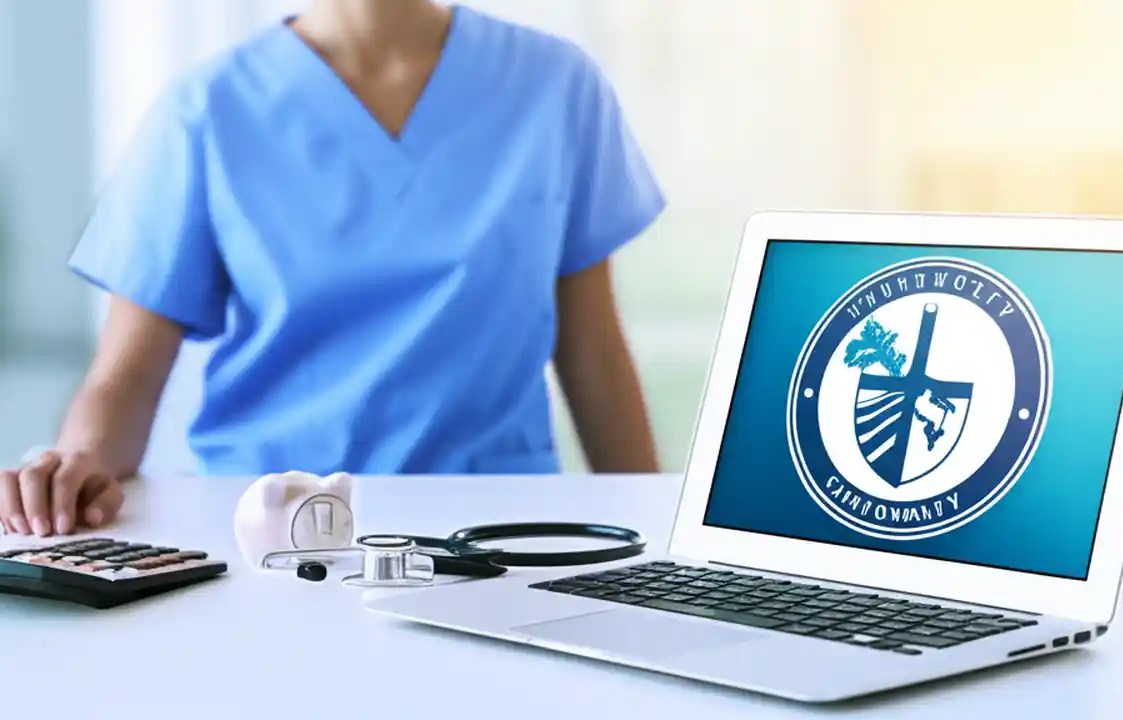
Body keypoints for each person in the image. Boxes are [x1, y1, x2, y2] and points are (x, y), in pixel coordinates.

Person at [0, 0, 664, 537]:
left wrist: (661, 536)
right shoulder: (208, 108)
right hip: (270, 528)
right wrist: (72, 466)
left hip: (498, 530)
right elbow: (127, 375)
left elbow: (594, 354)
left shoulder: (555, 88)